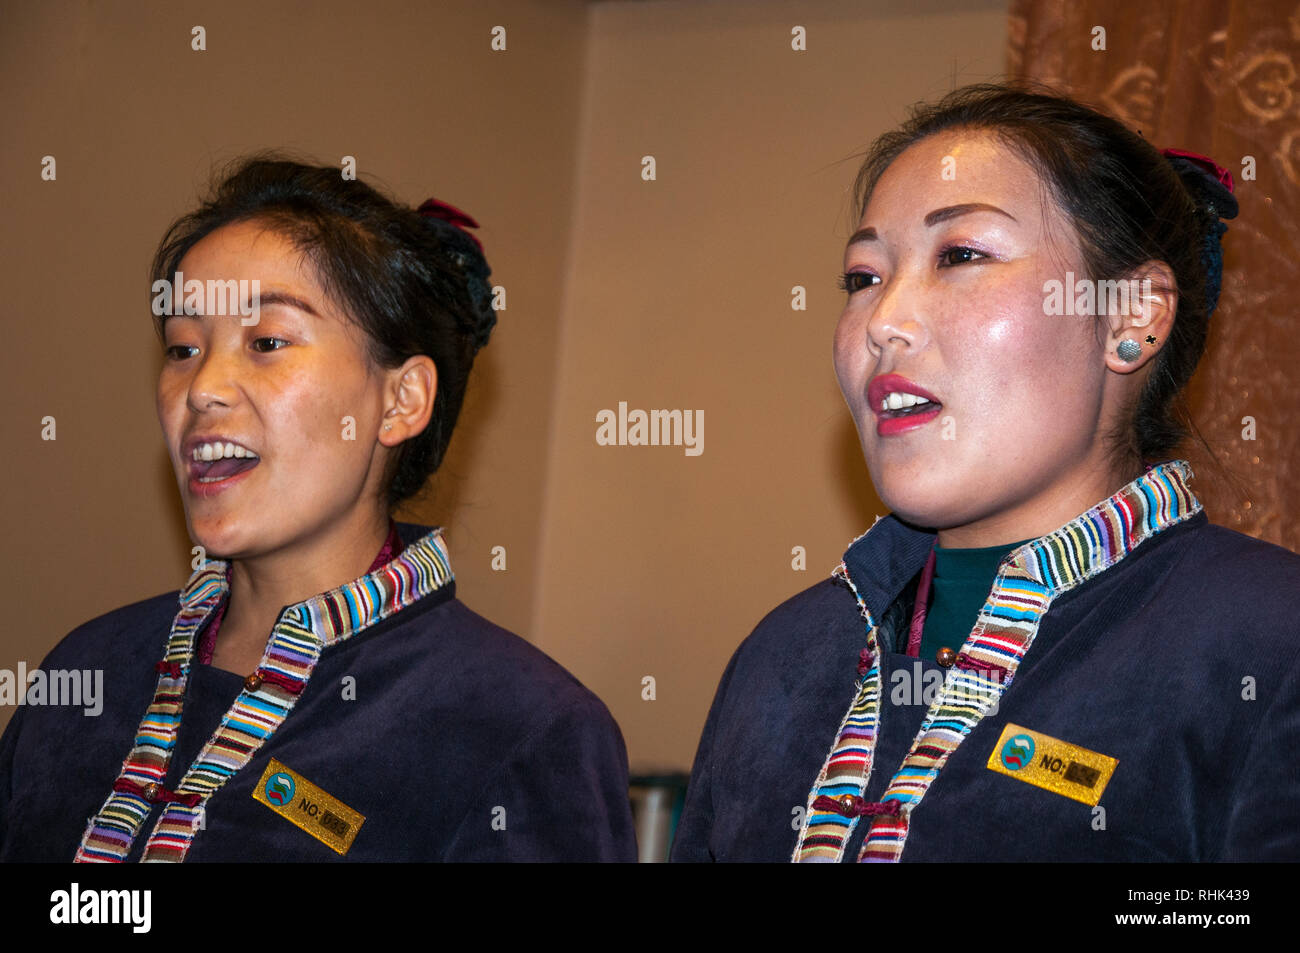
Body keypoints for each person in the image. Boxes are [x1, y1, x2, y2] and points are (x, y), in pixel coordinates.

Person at [671, 83, 1300, 862]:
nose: (885, 321)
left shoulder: (1267, 641)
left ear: (1133, 318)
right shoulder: (784, 656)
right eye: (863, 277)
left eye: (961, 255)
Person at [0, 155, 637, 862]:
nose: (202, 387)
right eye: (182, 347)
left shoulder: (520, 728)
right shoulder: (87, 666)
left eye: (268, 342)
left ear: (401, 400)